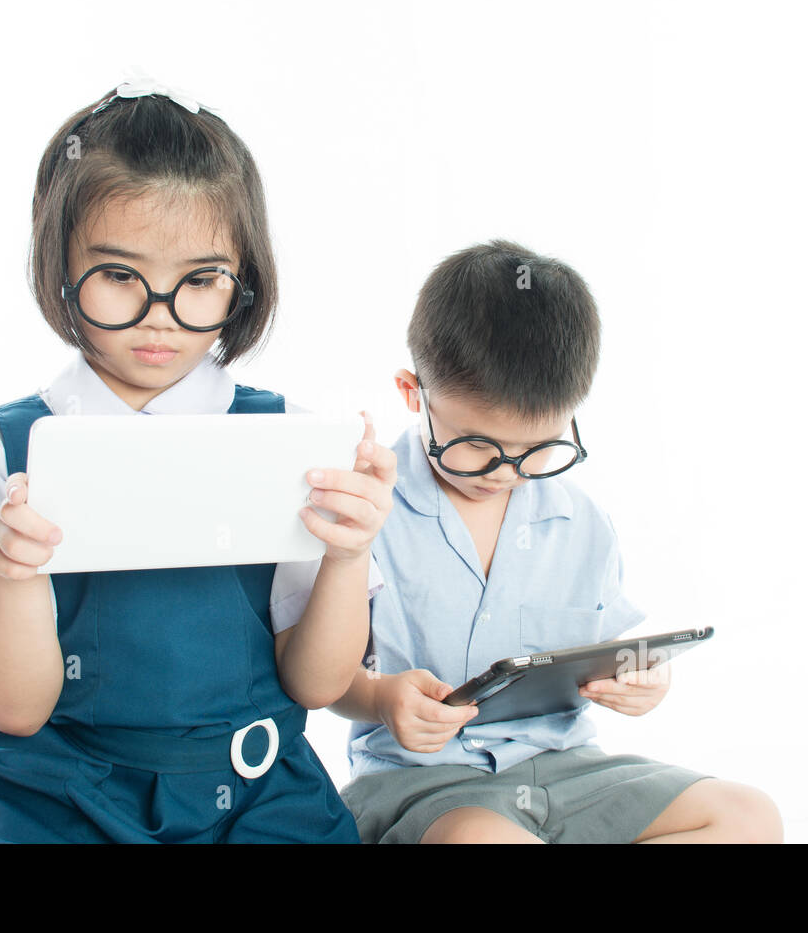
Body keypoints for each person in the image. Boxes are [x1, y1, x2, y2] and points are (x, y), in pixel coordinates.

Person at [0, 76, 395, 844]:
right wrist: (17, 576)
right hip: (60, 796)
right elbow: (16, 709)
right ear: (60, 264)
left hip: (256, 795)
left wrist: (348, 557)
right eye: (120, 277)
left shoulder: (285, 441)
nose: (159, 319)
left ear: (243, 279)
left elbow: (317, 683)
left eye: (200, 281)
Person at [312, 239, 783, 843]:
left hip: (570, 772)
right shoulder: (367, 512)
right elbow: (324, 679)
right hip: (427, 785)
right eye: (477, 445)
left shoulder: (581, 522)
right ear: (412, 393)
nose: (506, 472)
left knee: (750, 815)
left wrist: (641, 679)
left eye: (537, 449)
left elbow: (597, 655)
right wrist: (381, 700)